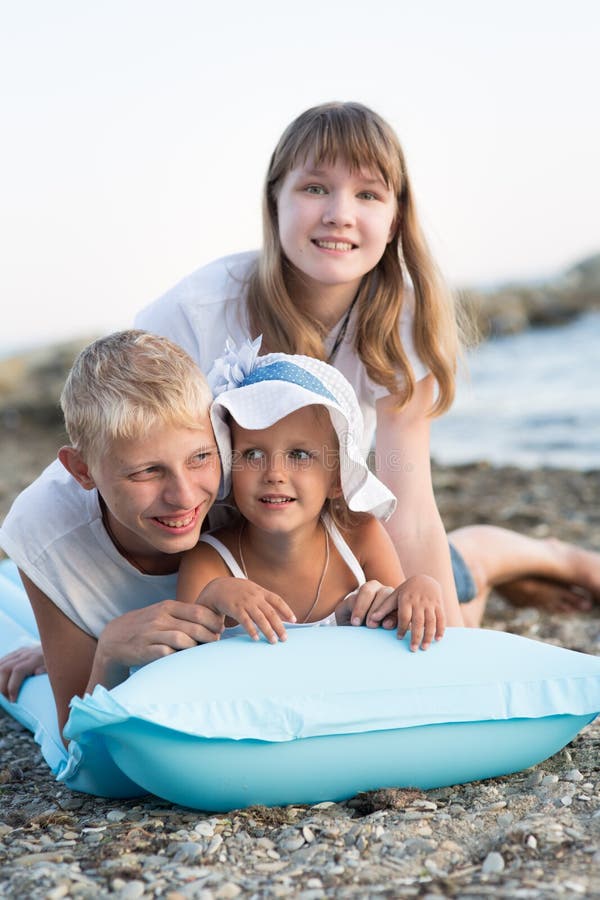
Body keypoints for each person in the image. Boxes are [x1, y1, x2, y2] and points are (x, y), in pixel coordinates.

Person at [134, 100, 600, 620]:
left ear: (396, 215)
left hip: (329, 538)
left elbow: (411, 503)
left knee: (447, 613)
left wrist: (448, 657)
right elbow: (117, 466)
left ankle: (549, 558)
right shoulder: (197, 312)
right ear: (275, 202)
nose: (340, 213)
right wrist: (86, 628)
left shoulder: (403, 316)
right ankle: (485, 574)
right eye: (314, 188)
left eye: (368, 194)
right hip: (230, 549)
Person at [0, 330, 290, 740]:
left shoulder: (248, 485)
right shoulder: (43, 532)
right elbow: (76, 740)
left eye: (200, 457)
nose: (184, 496)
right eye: (147, 472)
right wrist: (106, 653)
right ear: (82, 471)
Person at [177, 342, 446, 651]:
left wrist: (421, 587)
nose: (274, 473)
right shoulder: (209, 562)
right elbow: (184, 668)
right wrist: (212, 600)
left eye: (299, 454)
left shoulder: (360, 537)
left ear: (336, 481)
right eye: (252, 453)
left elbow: (402, 632)